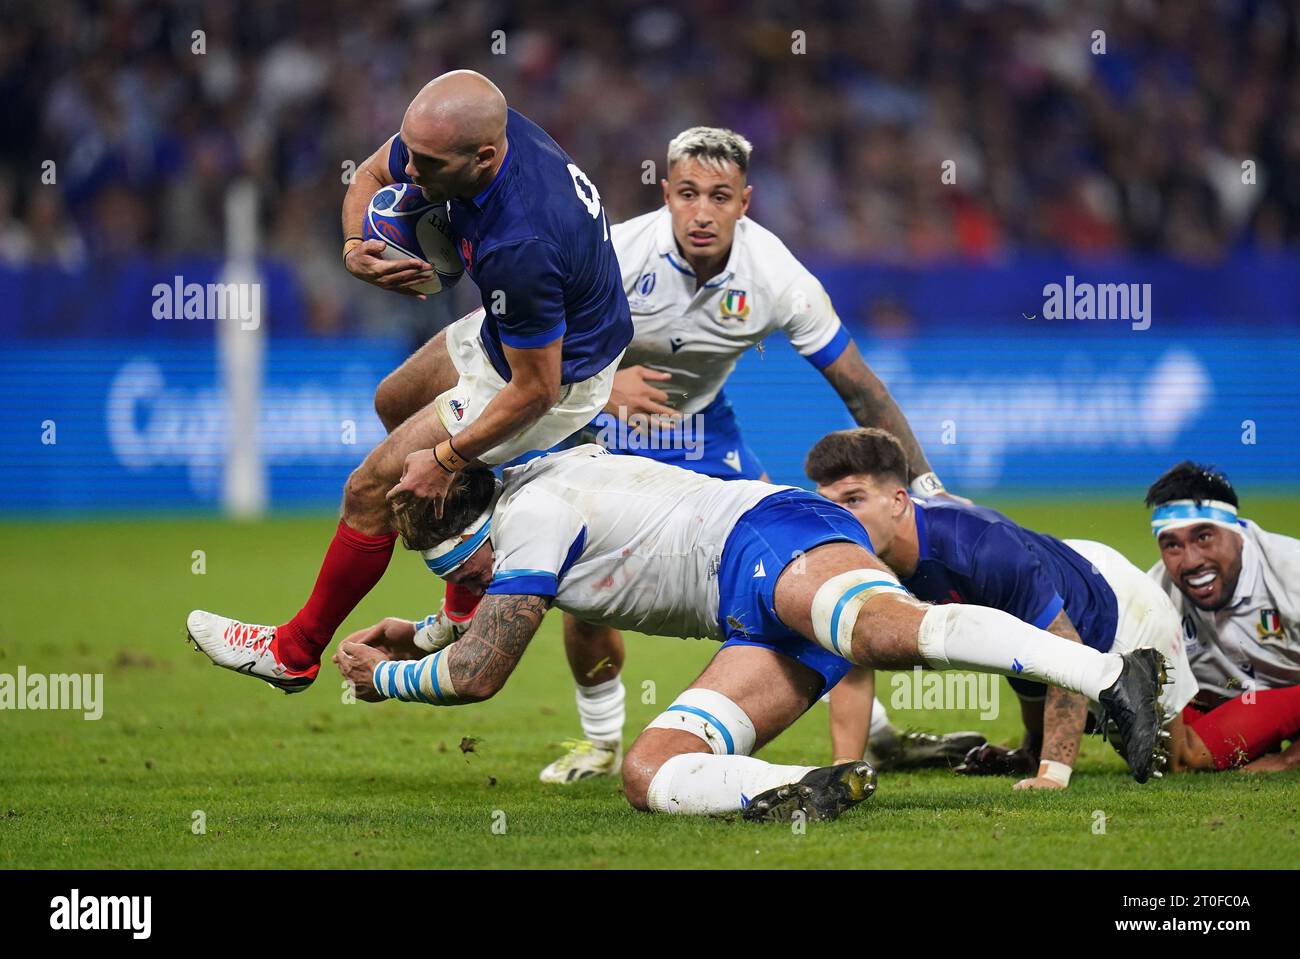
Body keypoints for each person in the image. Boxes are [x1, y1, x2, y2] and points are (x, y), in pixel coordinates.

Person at [332, 444, 1170, 825]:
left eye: (466, 577)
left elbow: (480, 675)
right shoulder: (523, 494)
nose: (466, 592)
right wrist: (430, 631)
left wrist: (385, 678)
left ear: (482, 545)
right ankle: (807, 786)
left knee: (886, 632)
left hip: (766, 537)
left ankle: (1105, 672)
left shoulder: (532, 519)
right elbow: (481, 620)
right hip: (749, 616)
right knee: (648, 772)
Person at [535, 126, 980, 783]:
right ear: (666, 195)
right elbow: (534, 362)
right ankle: (602, 742)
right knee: (584, 594)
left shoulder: (774, 275)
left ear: (746, 201)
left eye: (720, 195)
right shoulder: (617, 255)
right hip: (608, 429)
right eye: (687, 193)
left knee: (818, 564)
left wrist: (929, 487)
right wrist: (604, 392)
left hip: (703, 433)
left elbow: (860, 386)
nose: (702, 211)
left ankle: (876, 734)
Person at [186, 70, 632, 690]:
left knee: (372, 488)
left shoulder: (520, 242)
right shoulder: (468, 136)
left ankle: (295, 651)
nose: (412, 172)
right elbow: (369, 176)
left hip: (553, 372)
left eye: (426, 163)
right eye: (411, 152)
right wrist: (352, 248)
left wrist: (446, 458)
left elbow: (537, 389)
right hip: (513, 333)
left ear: (484, 157)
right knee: (393, 400)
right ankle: (468, 587)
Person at [806, 428, 1195, 788]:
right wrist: (844, 776)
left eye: (853, 499)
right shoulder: (849, 556)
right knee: (1024, 657)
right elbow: (853, 661)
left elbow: (1068, 647)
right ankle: (1033, 748)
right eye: (826, 503)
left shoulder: (978, 548)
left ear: (898, 501)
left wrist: (1052, 775)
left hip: (1120, 610)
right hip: (1049, 580)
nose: (837, 516)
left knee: (1176, 762)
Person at [1145, 462, 1300, 773]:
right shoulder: (1154, 596)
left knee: (1188, 756)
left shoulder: (1292, 571)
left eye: (1203, 537)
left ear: (1236, 531)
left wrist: (1291, 759)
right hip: (1236, 702)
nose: (1190, 562)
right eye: (1172, 545)